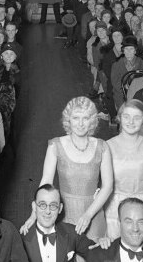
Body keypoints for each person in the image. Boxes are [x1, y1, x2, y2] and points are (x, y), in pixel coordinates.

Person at [37, 96, 113, 242]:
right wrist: (35, 212)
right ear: (68, 120)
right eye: (76, 118)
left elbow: (108, 187)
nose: (81, 123)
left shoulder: (102, 146)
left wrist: (88, 215)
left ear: (92, 120)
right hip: (65, 214)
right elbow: (46, 183)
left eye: (86, 118)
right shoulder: (55, 145)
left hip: (94, 213)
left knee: (93, 254)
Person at [104, 100, 143, 239]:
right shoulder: (107, 146)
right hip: (115, 209)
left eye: (137, 117)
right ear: (119, 118)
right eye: (126, 116)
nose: (131, 122)